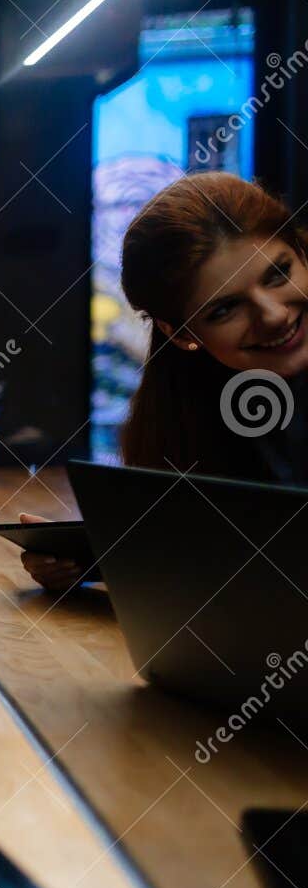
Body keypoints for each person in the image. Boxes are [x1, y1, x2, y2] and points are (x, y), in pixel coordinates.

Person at [21, 173, 308, 592]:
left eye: (278, 274)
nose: (274, 315)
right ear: (180, 334)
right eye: (225, 309)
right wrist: (98, 558)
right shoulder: (193, 414)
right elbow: (230, 550)